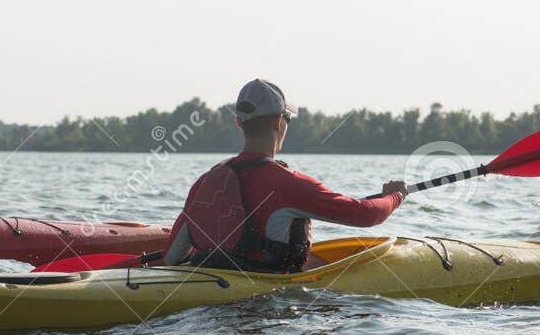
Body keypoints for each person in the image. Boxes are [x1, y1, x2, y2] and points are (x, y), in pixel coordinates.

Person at [162, 79, 408, 272]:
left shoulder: (206, 181)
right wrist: (395, 196)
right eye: (287, 118)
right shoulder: (290, 184)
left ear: (239, 123)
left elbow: (172, 258)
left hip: (210, 302)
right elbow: (365, 214)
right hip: (268, 305)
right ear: (278, 121)